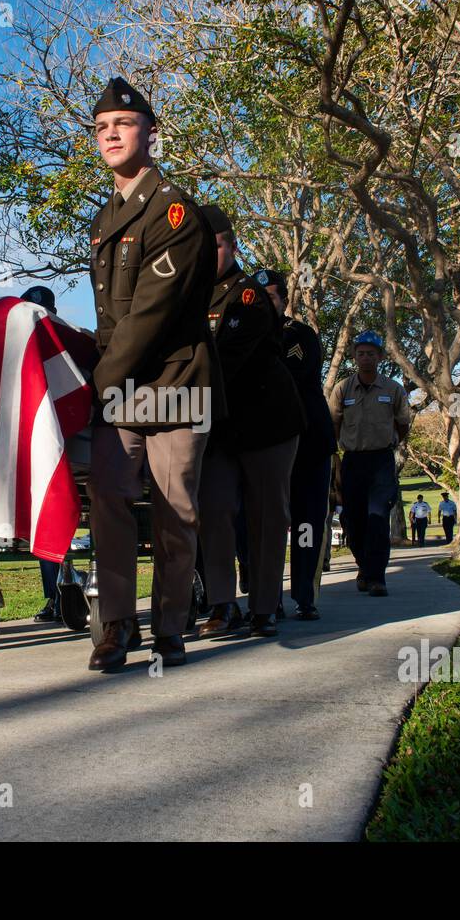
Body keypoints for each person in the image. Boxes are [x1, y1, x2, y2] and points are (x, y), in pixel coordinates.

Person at [85, 77, 224, 672]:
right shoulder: (105, 215)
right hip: (124, 387)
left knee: (175, 510)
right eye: (100, 128)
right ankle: (115, 623)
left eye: (123, 124)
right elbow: (109, 319)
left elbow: (148, 317)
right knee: (109, 499)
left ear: (150, 133)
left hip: (177, 383)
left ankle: (169, 626)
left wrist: (94, 383)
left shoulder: (176, 211)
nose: (110, 134)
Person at [194, 213, 304, 641]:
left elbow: (226, 362)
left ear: (232, 248)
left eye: (217, 245)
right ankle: (222, 604)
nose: (209, 254)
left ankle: (263, 607)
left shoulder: (248, 297)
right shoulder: (190, 295)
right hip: (218, 426)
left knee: (266, 515)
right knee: (214, 509)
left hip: (267, 423)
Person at [258, 269, 337, 621]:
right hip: (266, 446)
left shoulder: (300, 335)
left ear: (285, 300)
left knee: (307, 524)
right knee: (269, 523)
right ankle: (268, 597)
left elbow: (294, 377)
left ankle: (306, 595)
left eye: (272, 296)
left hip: (309, 443)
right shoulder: (244, 335)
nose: (265, 302)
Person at [327, 331, 413, 597]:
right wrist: (337, 460)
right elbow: (333, 424)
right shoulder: (343, 389)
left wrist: (393, 441)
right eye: (361, 353)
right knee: (352, 520)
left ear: (380, 357)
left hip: (381, 461)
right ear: (354, 356)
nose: (365, 358)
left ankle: (376, 577)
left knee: (377, 518)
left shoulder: (392, 389)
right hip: (352, 461)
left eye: (371, 353)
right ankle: (363, 566)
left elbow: (403, 422)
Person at [23, 285, 66, 622]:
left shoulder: (67, 345)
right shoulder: (14, 349)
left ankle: (63, 591)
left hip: (65, 445)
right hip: (29, 446)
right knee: (43, 520)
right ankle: (54, 595)